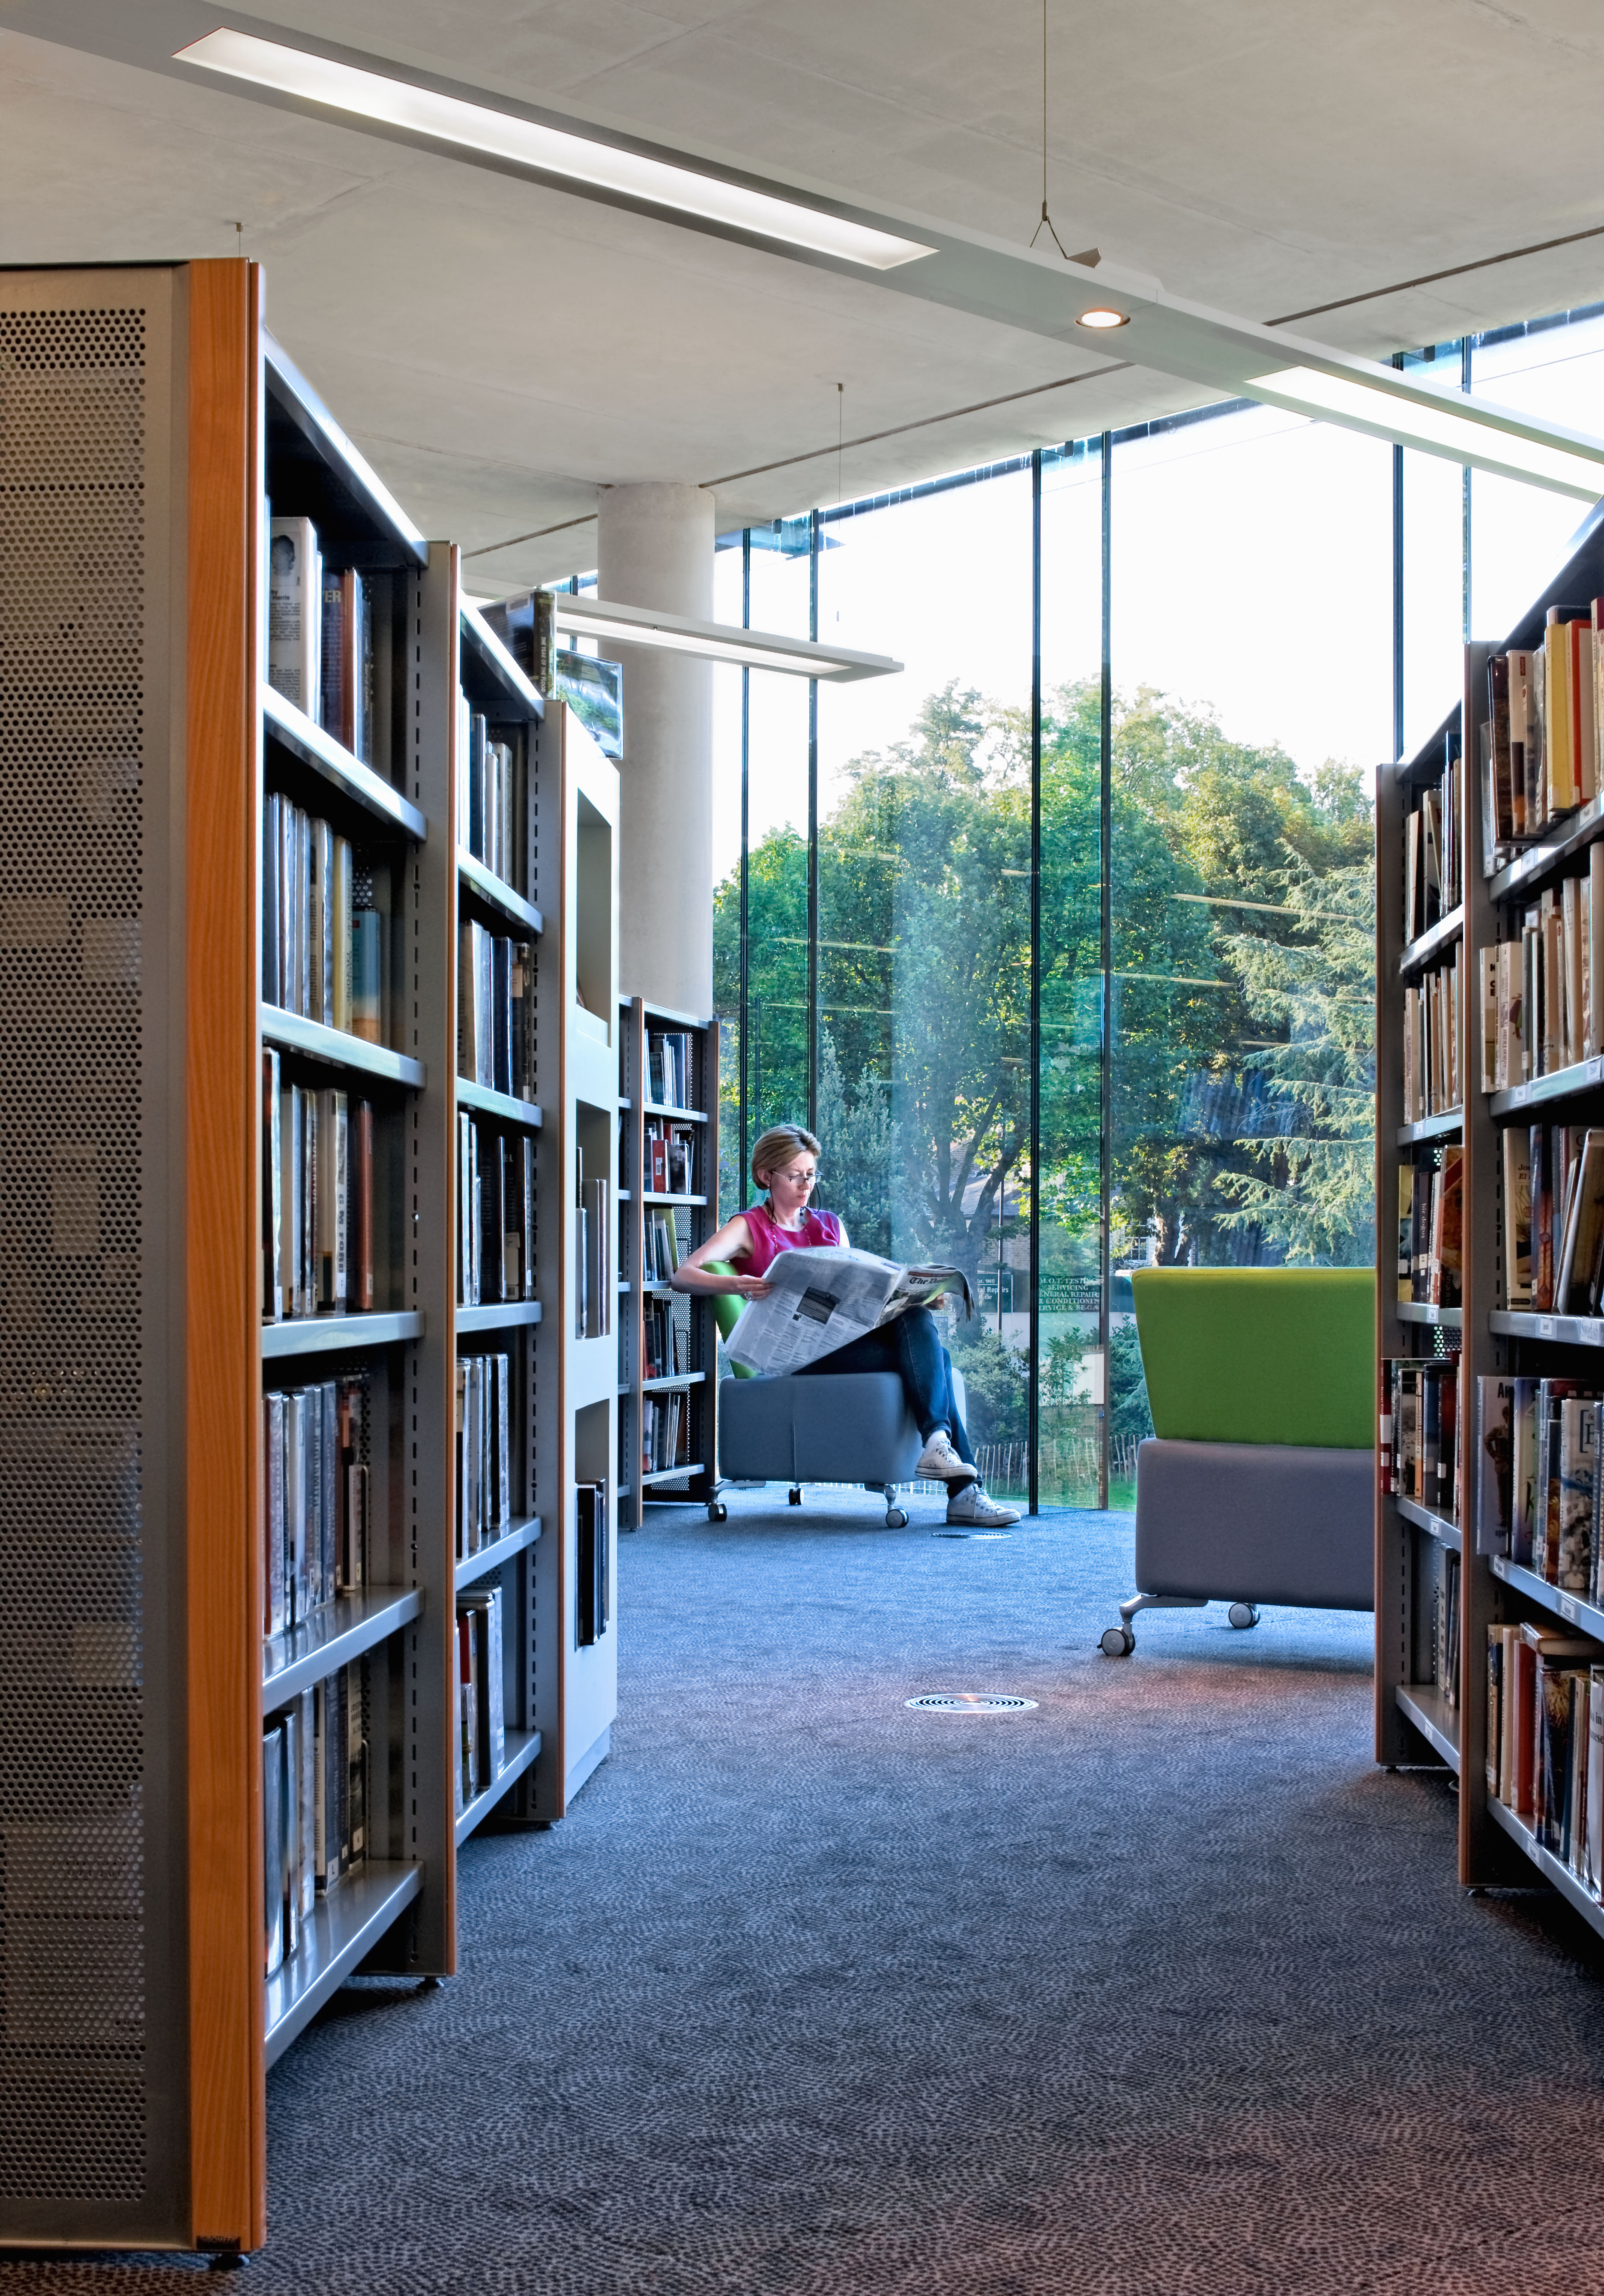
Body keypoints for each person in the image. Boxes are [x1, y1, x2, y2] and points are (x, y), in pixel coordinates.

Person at [673, 1123, 1021, 1529]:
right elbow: (684, 1275)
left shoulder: (828, 1225)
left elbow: (855, 1293)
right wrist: (739, 1283)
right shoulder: (748, 1227)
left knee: (919, 1321)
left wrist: (919, 1296)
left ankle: (940, 1448)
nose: (806, 1184)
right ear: (767, 1176)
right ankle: (963, 1488)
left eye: (811, 1174)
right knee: (937, 1360)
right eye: (794, 1175)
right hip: (791, 1355)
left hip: (838, 1343)